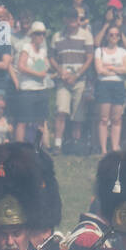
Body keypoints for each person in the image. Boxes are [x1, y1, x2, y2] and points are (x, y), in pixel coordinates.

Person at [51, 11, 93, 153]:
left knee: (78, 115)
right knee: (61, 111)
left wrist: (76, 75)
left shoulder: (86, 35)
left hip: (79, 79)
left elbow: (89, 58)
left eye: (74, 18)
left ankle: (76, 145)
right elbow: (51, 57)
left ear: (78, 20)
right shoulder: (57, 36)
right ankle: (57, 144)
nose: (72, 21)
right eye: (69, 18)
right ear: (65, 19)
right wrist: (60, 71)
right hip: (62, 80)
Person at [93, 24, 126, 153]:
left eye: (116, 35)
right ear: (107, 36)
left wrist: (111, 68)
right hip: (103, 85)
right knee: (103, 119)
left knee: (116, 119)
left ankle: (115, 147)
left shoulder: (123, 52)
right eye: (111, 34)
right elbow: (99, 70)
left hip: (119, 86)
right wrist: (116, 71)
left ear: (119, 37)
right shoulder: (99, 51)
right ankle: (103, 149)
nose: (114, 37)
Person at [14, 22, 52, 144]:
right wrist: (37, 73)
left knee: (41, 121)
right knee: (23, 121)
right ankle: (19, 149)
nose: (41, 36)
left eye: (43, 34)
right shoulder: (26, 47)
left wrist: (43, 70)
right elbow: (21, 66)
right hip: (28, 90)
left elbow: (46, 66)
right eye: (38, 34)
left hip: (41, 89)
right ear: (32, 35)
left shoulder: (43, 50)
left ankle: (37, 148)